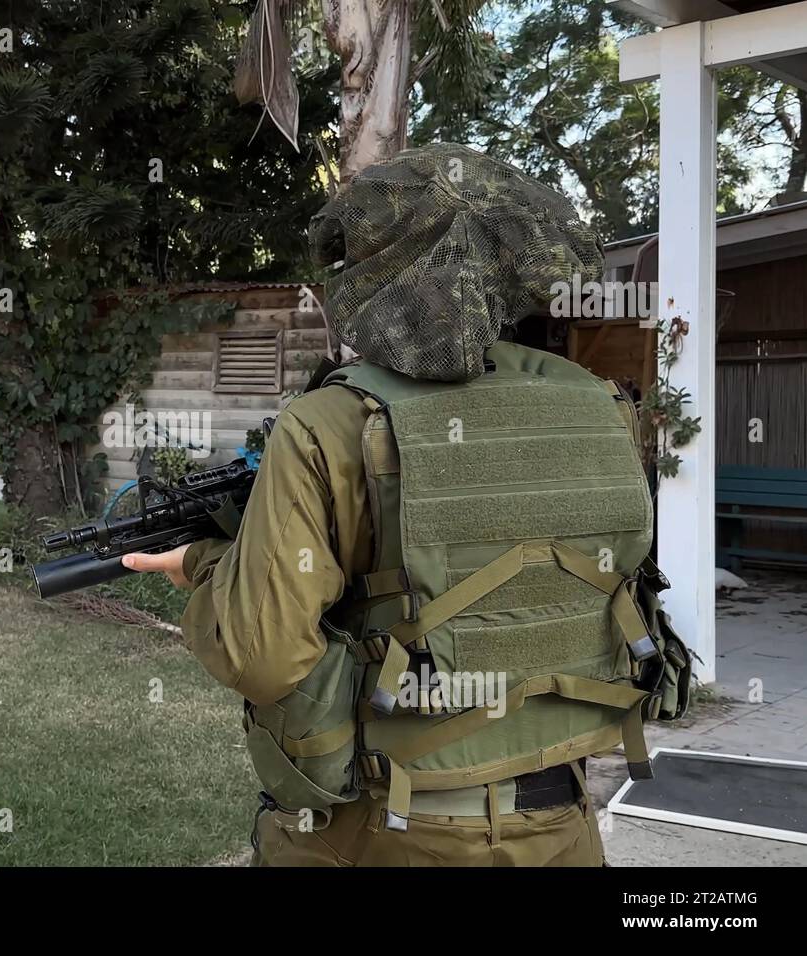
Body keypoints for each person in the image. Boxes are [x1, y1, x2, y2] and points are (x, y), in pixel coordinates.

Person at [121, 144, 685, 867]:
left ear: (374, 274)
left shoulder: (329, 423)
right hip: (564, 821)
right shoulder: (598, 406)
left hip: (393, 831)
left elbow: (262, 653)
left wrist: (205, 567)